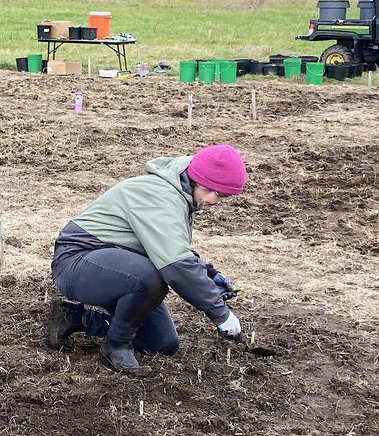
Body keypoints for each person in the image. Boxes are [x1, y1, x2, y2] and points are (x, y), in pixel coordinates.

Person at [44, 144, 246, 375]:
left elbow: (169, 248)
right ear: (199, 181)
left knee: (161, 342)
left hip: (116, 265)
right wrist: (221, 315)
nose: (216, 201)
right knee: (151, 278)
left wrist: (208, 273)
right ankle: (116, 346)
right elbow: (177, 265)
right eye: (217, 194)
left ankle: (76, 318)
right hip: (76, 261)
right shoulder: (160, 196)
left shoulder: (179, 195)